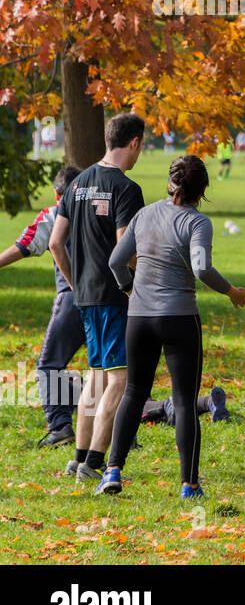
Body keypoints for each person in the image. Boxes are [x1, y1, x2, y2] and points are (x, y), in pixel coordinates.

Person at [97, 155, 245, 497]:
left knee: (134, 392)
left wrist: (129, 289)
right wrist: (232, 291)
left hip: (139, 317)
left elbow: (115, 261)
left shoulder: (143, 215)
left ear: (170, 183)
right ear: (204, 190)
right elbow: (201, 269)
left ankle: (112, 472)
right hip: (180, 317)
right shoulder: (198, 223)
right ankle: (189, 484)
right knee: (183, 401)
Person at [48, 113, 147, 482]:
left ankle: (77, 458)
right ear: (134, 142)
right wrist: (138, 279)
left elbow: (56, 243)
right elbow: (125, 246)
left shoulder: (76, 184)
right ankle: (93, 463)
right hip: (115, 294)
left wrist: (76, 283)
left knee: (96, 376)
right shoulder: (126, 188)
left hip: (86, 294)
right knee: (119, 379)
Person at [0, 166, 83, 448]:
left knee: (49, 365)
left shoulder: (54, 213)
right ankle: (122, 433)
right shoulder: (102, 211)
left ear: (57, 193)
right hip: (110, 299)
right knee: (105, 368)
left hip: (72, 298)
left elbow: (23, 246)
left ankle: (60, 426)